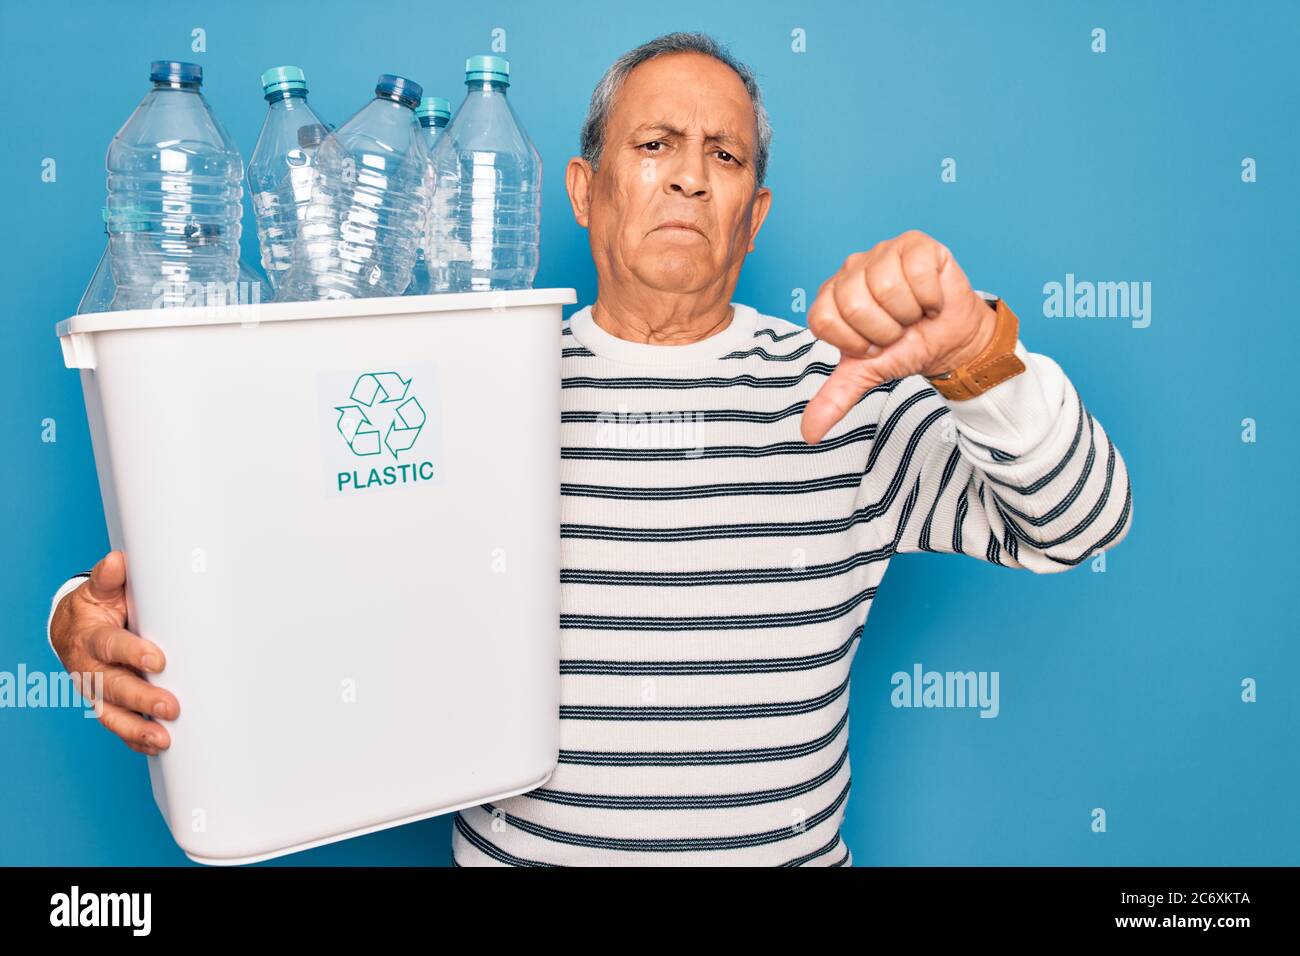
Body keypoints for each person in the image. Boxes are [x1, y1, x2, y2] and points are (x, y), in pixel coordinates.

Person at [48, 32, 1133, 866]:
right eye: (653, 145)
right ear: (582, 189)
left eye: (723, 156)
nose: (688, 176)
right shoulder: (462, 386)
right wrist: (83, 621)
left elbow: (1080, 525)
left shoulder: (847, 390)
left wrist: (981, 355)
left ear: (752, 216)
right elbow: (245, 547)